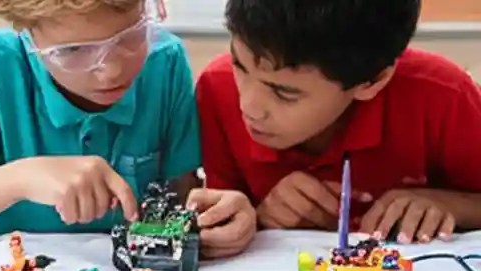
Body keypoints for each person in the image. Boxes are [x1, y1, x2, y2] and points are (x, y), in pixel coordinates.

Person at [0, 0, 256, 259]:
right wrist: (21, 178)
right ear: (29, 36)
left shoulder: (165, 63)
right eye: (73, 51)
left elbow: (181, 200)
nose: (110, 70)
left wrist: (220, 218)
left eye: (129, 37)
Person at [197, 0, 481, 242]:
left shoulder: (442, 95)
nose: (249, 106)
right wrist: (255, 217)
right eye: (239, 66)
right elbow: (217, 216)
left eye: (284, 93)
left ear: (371, 81)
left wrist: (452, 205)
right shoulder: (216, 88)